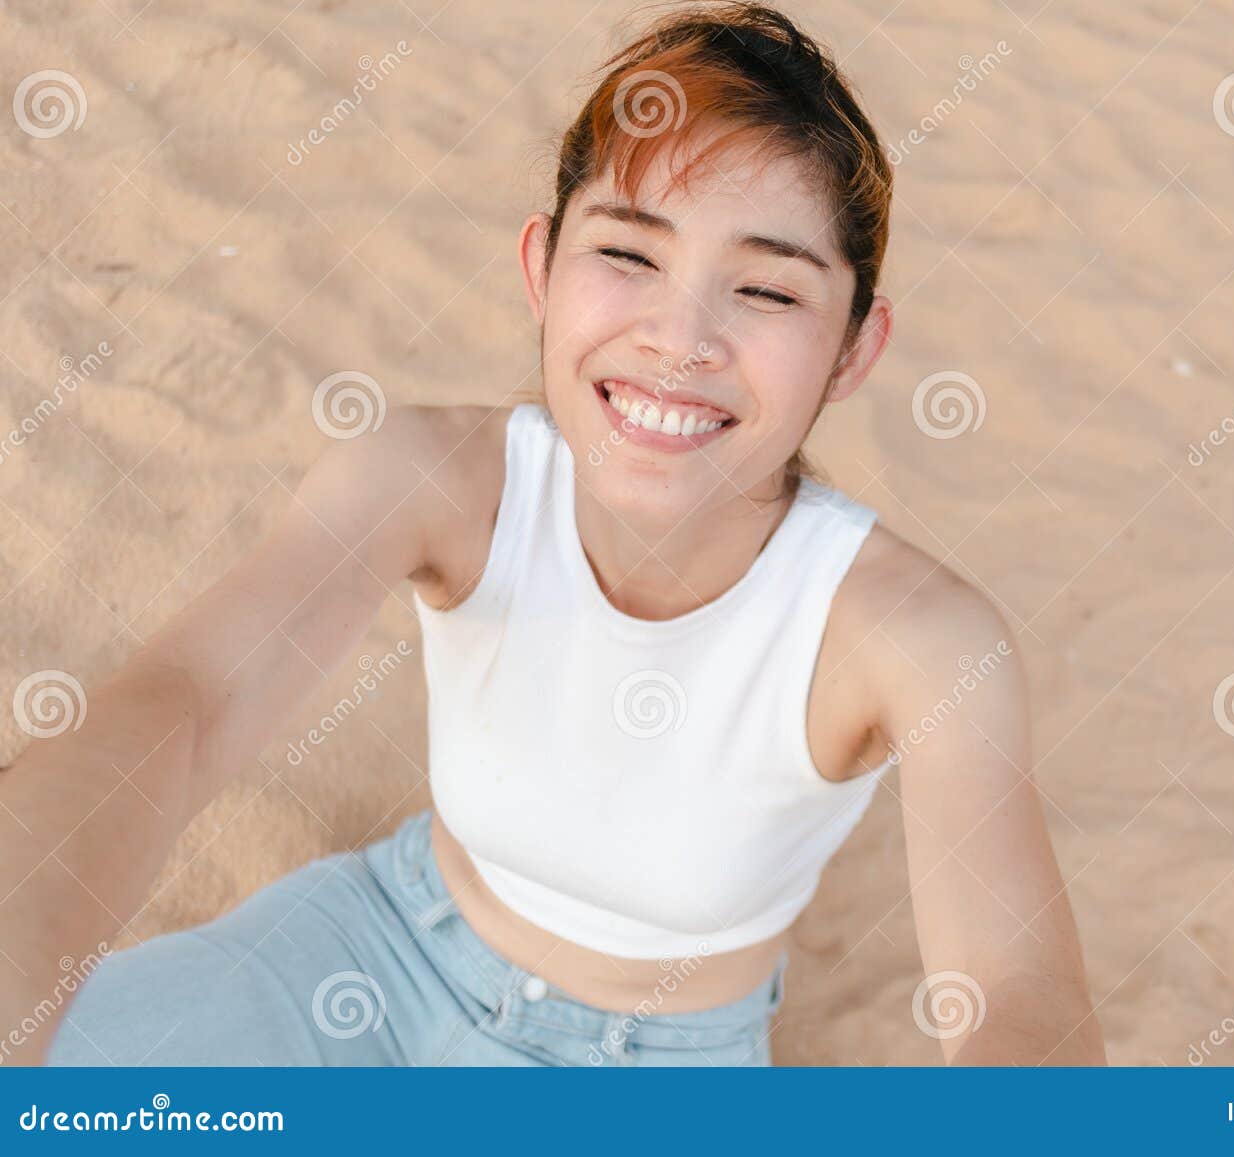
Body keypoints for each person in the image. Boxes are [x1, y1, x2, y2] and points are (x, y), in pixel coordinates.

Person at [2, 2, 1103, 1067]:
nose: (680, 338)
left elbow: (1019, 987)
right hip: (374, 948)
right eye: (628, 255)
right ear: (541, 268)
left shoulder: (919, 635)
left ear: (855, 350)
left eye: (766, 289)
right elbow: (184, 704)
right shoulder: (431, 478)